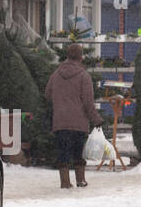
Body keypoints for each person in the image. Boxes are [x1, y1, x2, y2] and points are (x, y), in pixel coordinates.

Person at [44, 43, 103, 189]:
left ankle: (64, 182)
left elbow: (47, 94)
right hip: (79, 122)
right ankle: (80, 180)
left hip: (60, 121)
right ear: (81, 57)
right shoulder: (84, 76)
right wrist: (96, 119)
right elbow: (88, 102)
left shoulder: (56, 74)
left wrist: (60, 104)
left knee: (63, 151)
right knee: (79, 152)